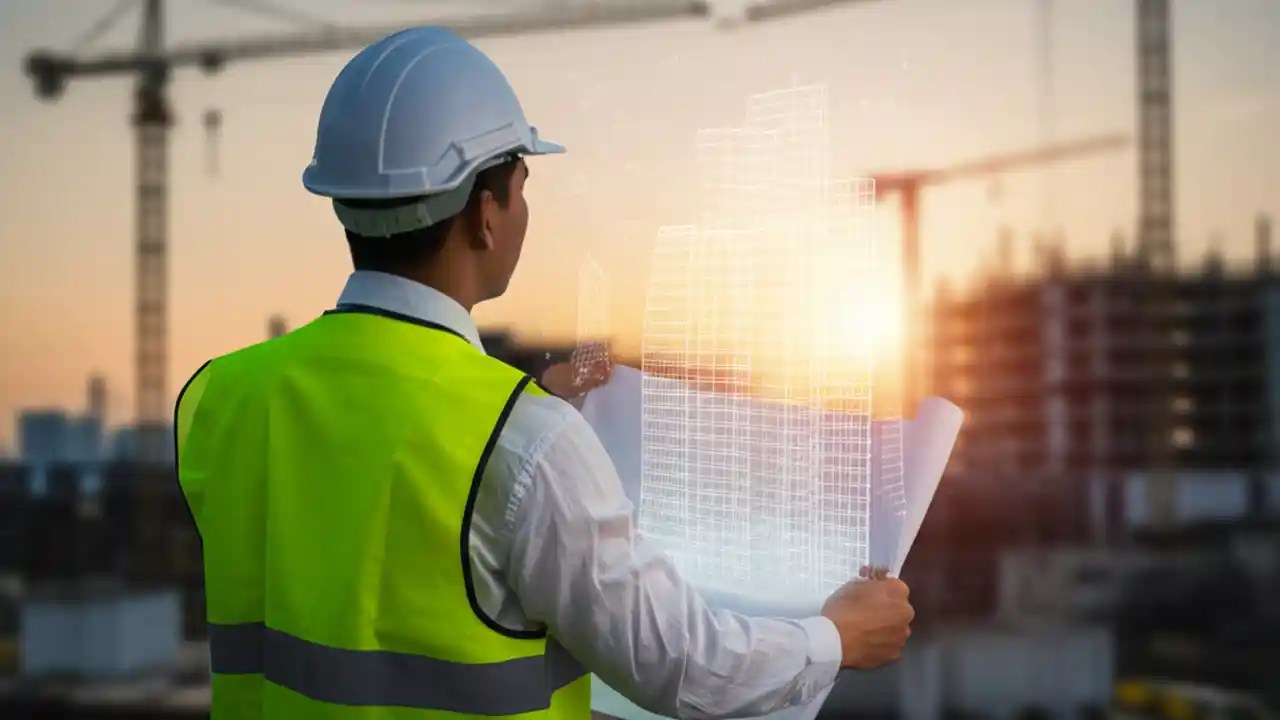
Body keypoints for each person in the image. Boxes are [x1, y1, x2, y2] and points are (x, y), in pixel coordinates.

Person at [175, 26, 913, 720]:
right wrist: (836, 637)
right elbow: (681, 661)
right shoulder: (528, 444)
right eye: (522, 184)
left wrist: (517, 401)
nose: (524, 210)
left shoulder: (219, 397)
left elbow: (363, 496)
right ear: (485, 214)